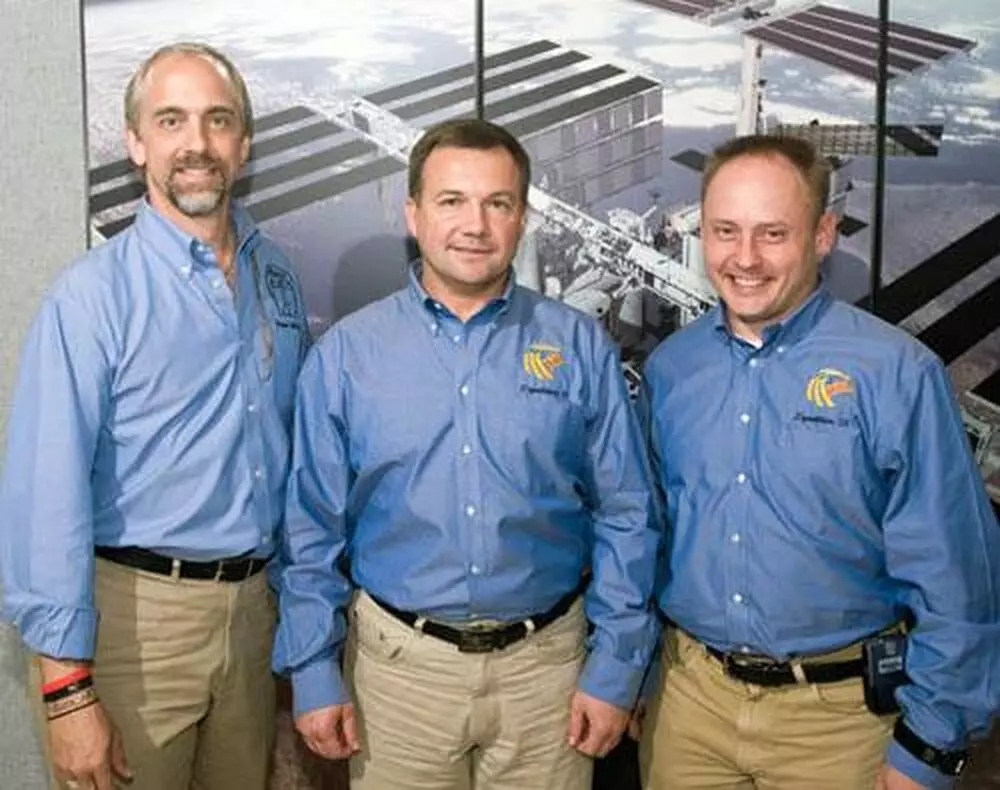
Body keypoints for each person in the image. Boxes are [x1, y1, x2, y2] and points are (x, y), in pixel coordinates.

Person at [273, 118, 660, 790]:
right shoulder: (347, 356)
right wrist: (311, 669)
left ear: (521, 218)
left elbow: (627, 512)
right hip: (399, 679)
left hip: (550, 681)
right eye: (452, 201)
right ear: (414, 215)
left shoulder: (579, 346)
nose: (474, 224)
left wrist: (617, 667)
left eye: (498, 203)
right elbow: (309, 531)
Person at [638, 133, 1000, 790]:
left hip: (838, 727)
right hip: (688, 709)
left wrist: (931, 742)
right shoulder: (671, 370)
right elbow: (646, 534)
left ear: (824, 234)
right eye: (725, 231)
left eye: (773, 233)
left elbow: (958, 577)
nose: (744, 258)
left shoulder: (896, 375)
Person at [0, 42, 309, 790]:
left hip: (255, 619)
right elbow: (48, 496)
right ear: (136, 142)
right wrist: (67, 689)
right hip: (135, 629)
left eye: (217, 119)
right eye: (170, 120)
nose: (196, 144)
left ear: (244, 142)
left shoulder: (276, 276)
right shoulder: (91, 298)